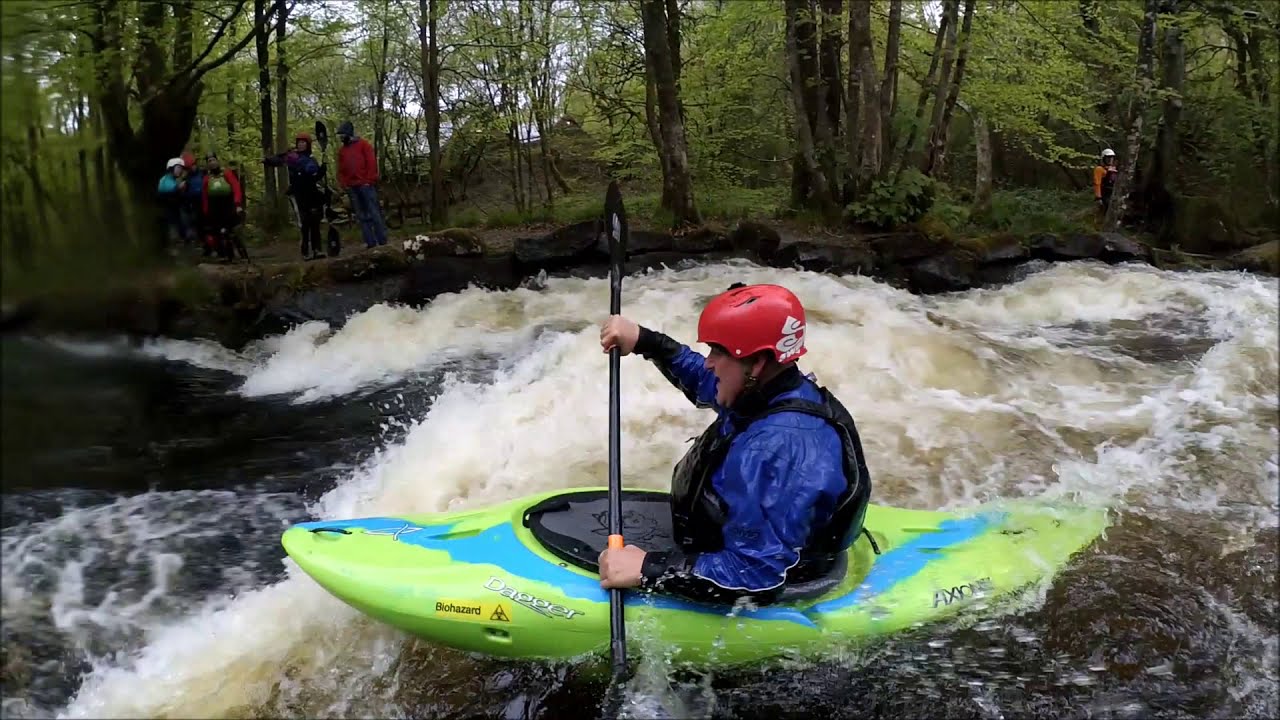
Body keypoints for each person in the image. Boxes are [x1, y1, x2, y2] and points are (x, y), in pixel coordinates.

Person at [596, 283, 873, 605]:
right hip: (735, 537)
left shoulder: (776, 448)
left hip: (767, 577)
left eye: (718, 352)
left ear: (756, 364)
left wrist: (648, 568)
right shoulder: (772, 386)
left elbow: (755, 574)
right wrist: (648, 342)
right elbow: (708, 380)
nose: (709, 362)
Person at [265, 131, 328, 260]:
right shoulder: (292, 157)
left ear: (308, 145)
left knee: (314, 221)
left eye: (303, 142)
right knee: (304, 223)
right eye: (299, 142)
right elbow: (279, 159)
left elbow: (315, 177)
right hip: (298, 194)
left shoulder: (312, 160)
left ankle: (317, 249)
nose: (301, 145)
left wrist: (322, 169)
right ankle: (306, 251)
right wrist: (267, 160)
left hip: (311, 193)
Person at [335, 120, 389, 249]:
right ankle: (370, 242)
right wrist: (344, 183)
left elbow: (371, 163)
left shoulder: (363, 145)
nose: (341, 137)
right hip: (352, 187)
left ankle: (382, 241)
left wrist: (368, 180)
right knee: (361, 216)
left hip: (366, 185)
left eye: (342, 134)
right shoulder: (342, 151)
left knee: (374, 213)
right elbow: (341, 169)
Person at [200, 152, 248, 262]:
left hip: (228, 205)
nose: (212, 163)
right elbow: (204, 195)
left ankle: (243, 255)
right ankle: (225, 256)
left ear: (217, 161)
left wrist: (237, 204)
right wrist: (206, 211)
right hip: (215, 207)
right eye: (209, 161)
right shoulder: (207, 178)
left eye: (213, 160)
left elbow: (236, 188)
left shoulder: (227, 173)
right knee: (218, 232)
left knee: (234, 231)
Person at [157, 157, 187, 248]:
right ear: (171, 168)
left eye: (181, 168)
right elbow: (166, 191)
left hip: (174, 213)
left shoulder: (173, 180)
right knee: (172, 233)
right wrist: (178, 189)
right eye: (178, 168)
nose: (180, 170)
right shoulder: (165, 179)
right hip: (168, 215)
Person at [1094, 148, 1118, 214]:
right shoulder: (1099, 169)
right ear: (1104, 158)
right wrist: (1098, 197)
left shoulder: (1114, 169)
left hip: (1113, 194)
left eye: (1112, 157)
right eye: (1108, 157)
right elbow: (1097, 183)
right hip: (1105, 195)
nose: (1110, 159)